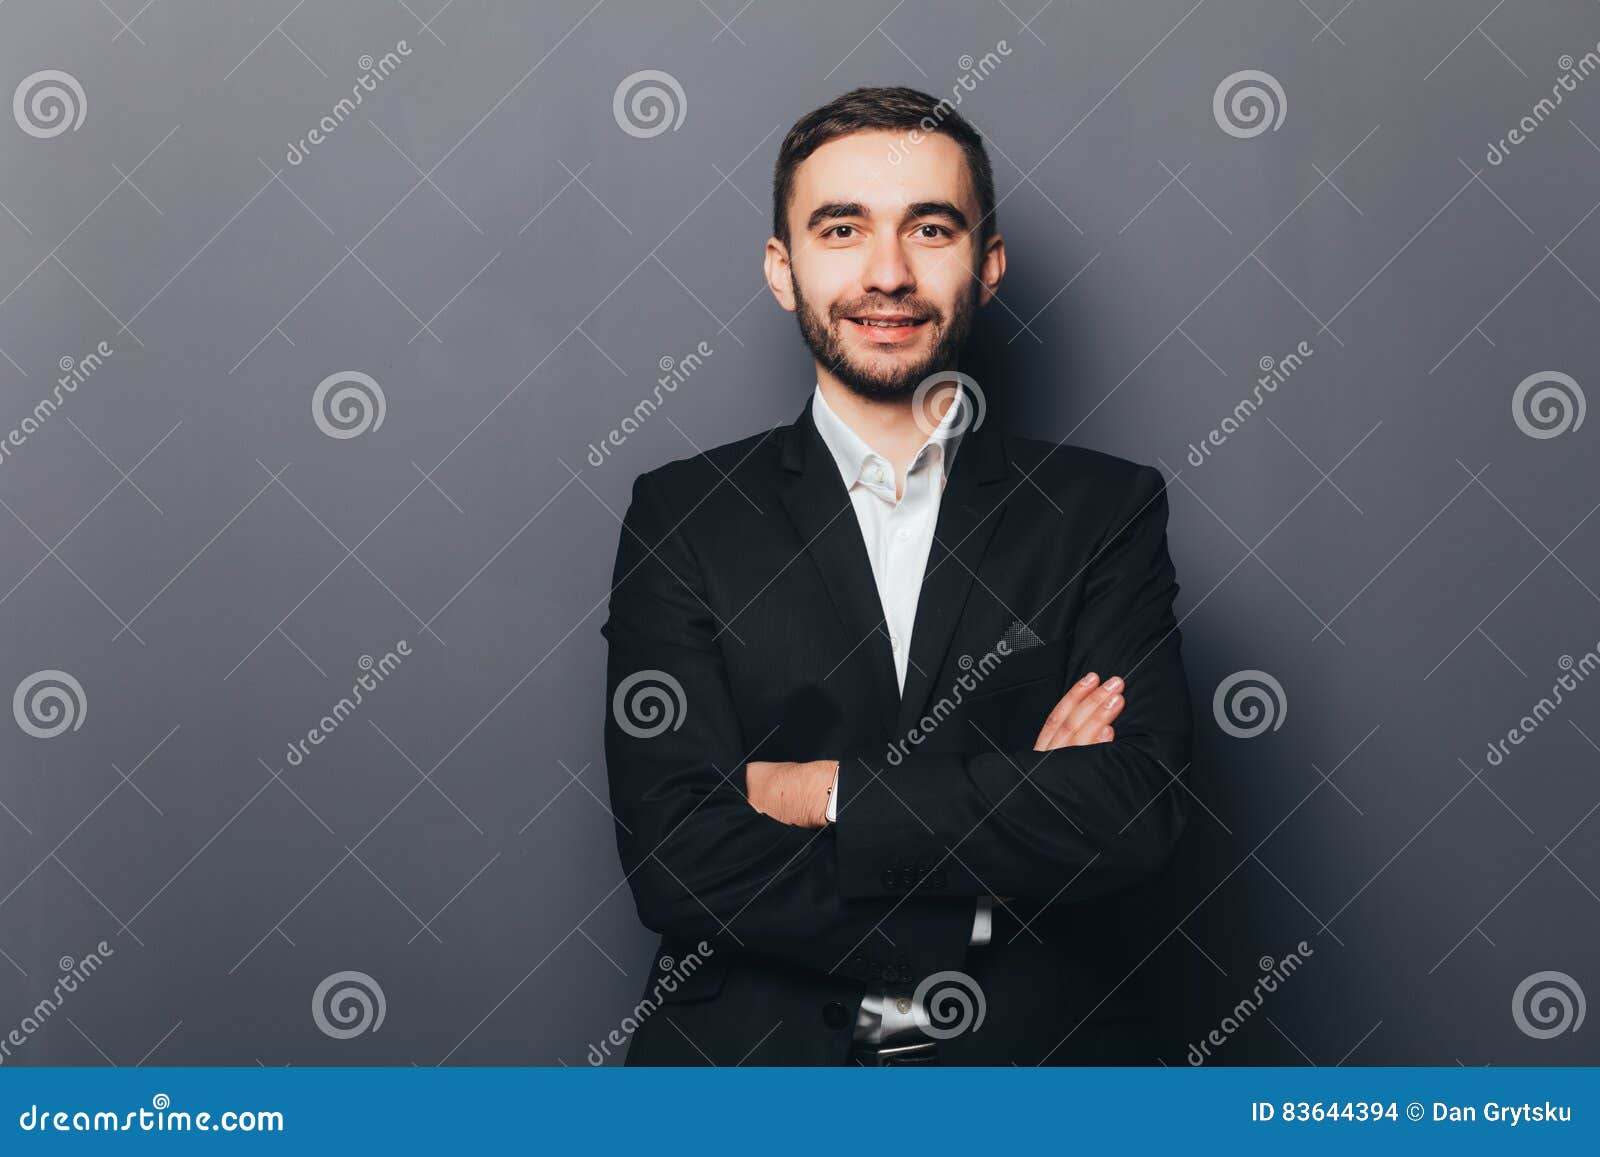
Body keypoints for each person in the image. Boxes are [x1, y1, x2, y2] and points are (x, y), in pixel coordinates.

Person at [601, 85, 1192, 1065]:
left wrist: (823, 790)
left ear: (987, 266)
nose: (887, 273)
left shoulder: (1102, 511)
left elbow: (1132, 812)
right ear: (782, 271)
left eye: (929, 227)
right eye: (841, 229)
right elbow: (678, 857)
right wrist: (980, 897)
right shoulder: (683, 517)